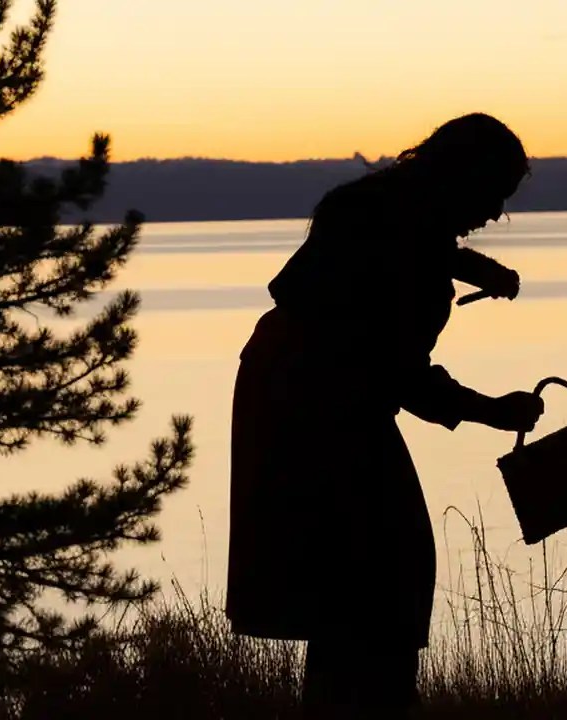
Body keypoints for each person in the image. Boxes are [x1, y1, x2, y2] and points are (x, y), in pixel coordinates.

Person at [225, 113, 545, 718]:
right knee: (376, 567)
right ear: (463, 177)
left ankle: (360, 699)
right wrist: (491, 411)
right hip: (309, 403)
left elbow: (415, 248)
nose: (495, 215)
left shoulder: (388, 207)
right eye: (494, 196)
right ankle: (373, 701)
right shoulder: (393, 227)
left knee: (360, 574)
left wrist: (474, 268)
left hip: (309, 387)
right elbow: (395, 368)